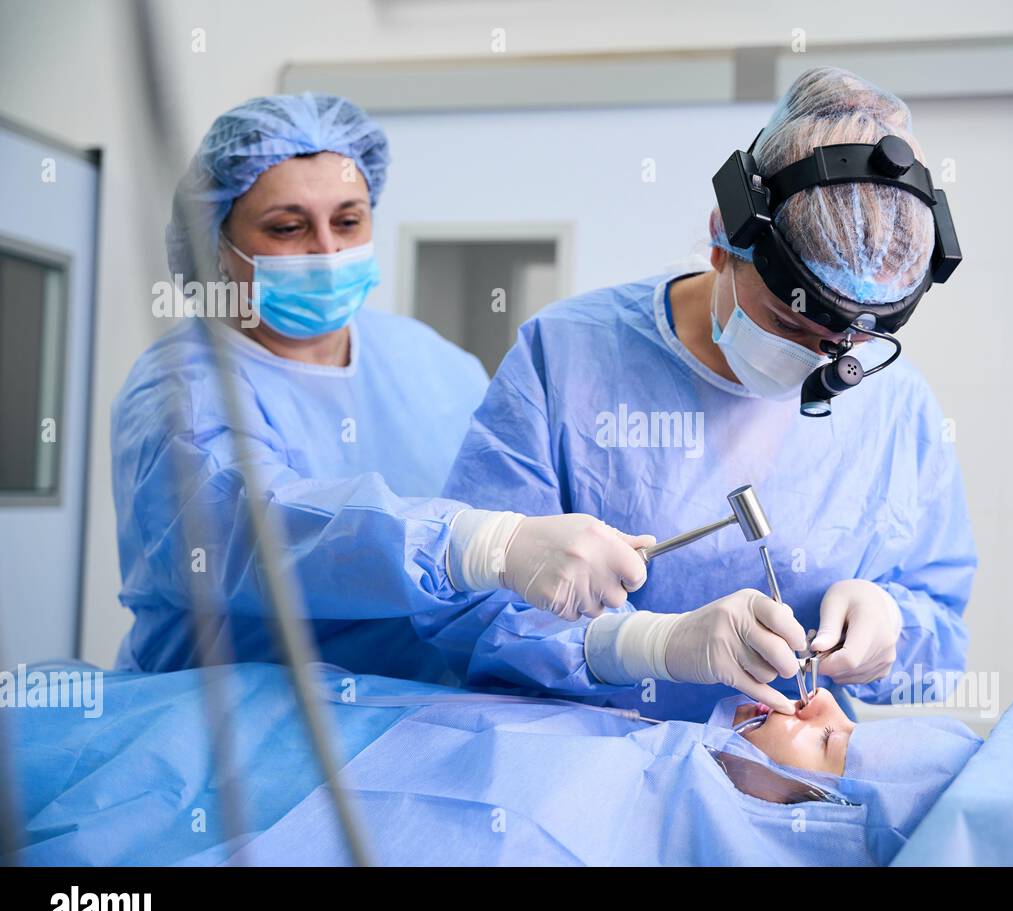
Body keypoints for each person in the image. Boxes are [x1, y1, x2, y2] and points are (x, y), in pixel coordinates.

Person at [436, 67, 975, 720]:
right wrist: (638, 646)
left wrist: (893, 629)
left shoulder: (895, 406)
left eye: (845, 347)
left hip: (773, 791)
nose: (816, 364)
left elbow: (940, 639)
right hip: (581, 773)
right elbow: (469, 608)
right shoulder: (569, 356)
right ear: (726, 238)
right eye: (788, 324)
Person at [112, 92, 652, 677]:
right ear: (213, 244)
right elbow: (252, 532)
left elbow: (509, 567)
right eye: (288, 227)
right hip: (234, 729)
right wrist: (476, 544)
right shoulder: (180, 391)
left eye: (348, 221)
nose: (326, 250)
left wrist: (637, 644)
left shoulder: (432, 361)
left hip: (417, 714)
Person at [11, 662, 981, 866]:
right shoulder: (665, 753)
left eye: (830, 737)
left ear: (811, 817)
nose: (816, 698)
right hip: (268, 717)